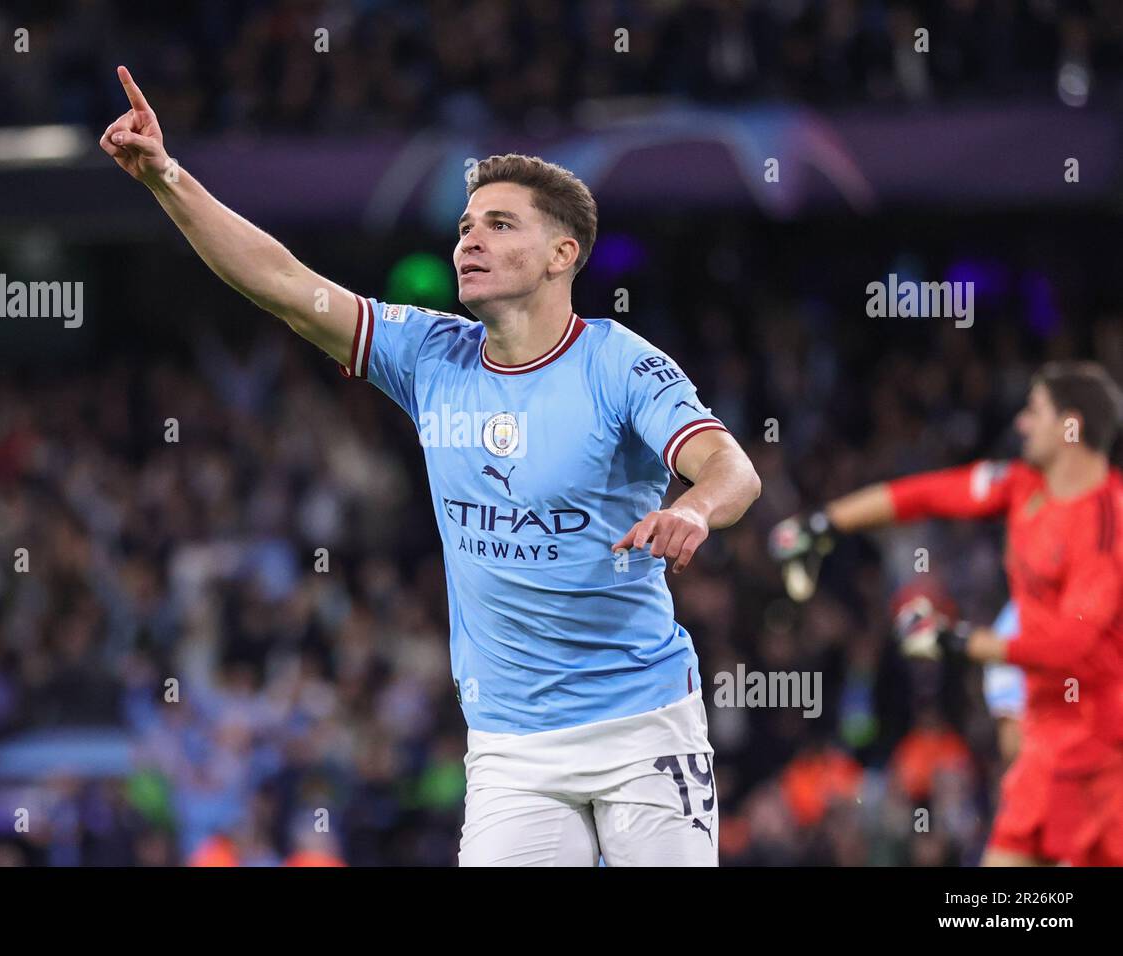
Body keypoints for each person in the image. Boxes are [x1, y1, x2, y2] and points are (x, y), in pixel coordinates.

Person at [100, 67, 761, 866]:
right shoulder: (429, 355)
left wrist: (693, 508)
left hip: (641, 728)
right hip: (512, 748)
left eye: (499, 225)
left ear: (563, 254)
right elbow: (283, 284)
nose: (469, 241)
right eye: (465, 225)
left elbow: (730, 466)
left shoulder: (619, 366)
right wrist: (167, 177)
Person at [770, 360, 1123, 866]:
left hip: (1102, 756)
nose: (1021, 422)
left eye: (1035, 411)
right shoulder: (1024, 486)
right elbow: (930, 493)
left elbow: (1074, 644)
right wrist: (826, 522)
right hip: (1047, 744)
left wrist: (958, 641)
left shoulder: (1108, 528)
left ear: (1072, 426)